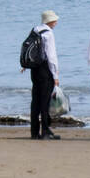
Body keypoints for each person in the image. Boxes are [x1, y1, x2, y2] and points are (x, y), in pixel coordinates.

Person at [28, 11, 60, 140]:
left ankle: (34, 132)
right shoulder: (48, 33)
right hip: (45, 69)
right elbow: (51, 56)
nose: (56, 22)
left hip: (34, 68)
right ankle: (45, 131)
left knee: (35, 100)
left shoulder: (35, 30)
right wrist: (55, 75)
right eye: (55, 20)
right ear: (50, 21)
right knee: (45, 101)